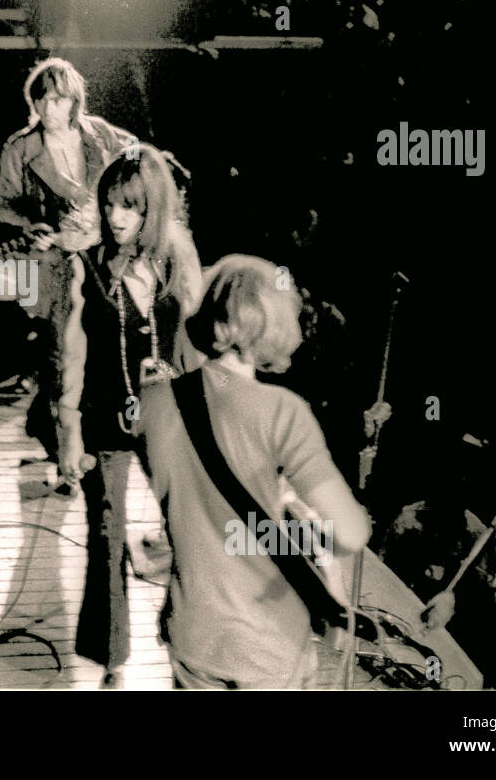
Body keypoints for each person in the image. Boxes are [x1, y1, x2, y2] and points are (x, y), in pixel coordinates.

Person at [138, 254, 372, 689]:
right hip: (269, 644)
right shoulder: (284, 412)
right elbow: (352, 533)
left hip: (193, 636)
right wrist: (299, 518)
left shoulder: (154, 404)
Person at [56, 145, 203, 688]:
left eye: (131, 207)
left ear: (153, 209)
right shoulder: (87, 266)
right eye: (110, 204)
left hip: (168, 418)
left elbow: (197, 348)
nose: (116, 217)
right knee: (105, 531)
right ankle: (112, 659)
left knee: (189, 532)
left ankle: (184, 636)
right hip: (103, 416)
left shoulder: (176, 259)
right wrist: (68, 431)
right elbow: (70, 355)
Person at [0, 58, 137, 459]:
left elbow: (140, 161)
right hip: (52, 260)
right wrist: (30, 227)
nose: (49, 108)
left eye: (58, 100)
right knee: (62, 352)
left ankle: (54, 421)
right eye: (42, 99)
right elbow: (4, 206)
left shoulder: (102, 136)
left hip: (100, 255)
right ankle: (65, 453)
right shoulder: (20, 147)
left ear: (75, 101)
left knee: (99, 347)